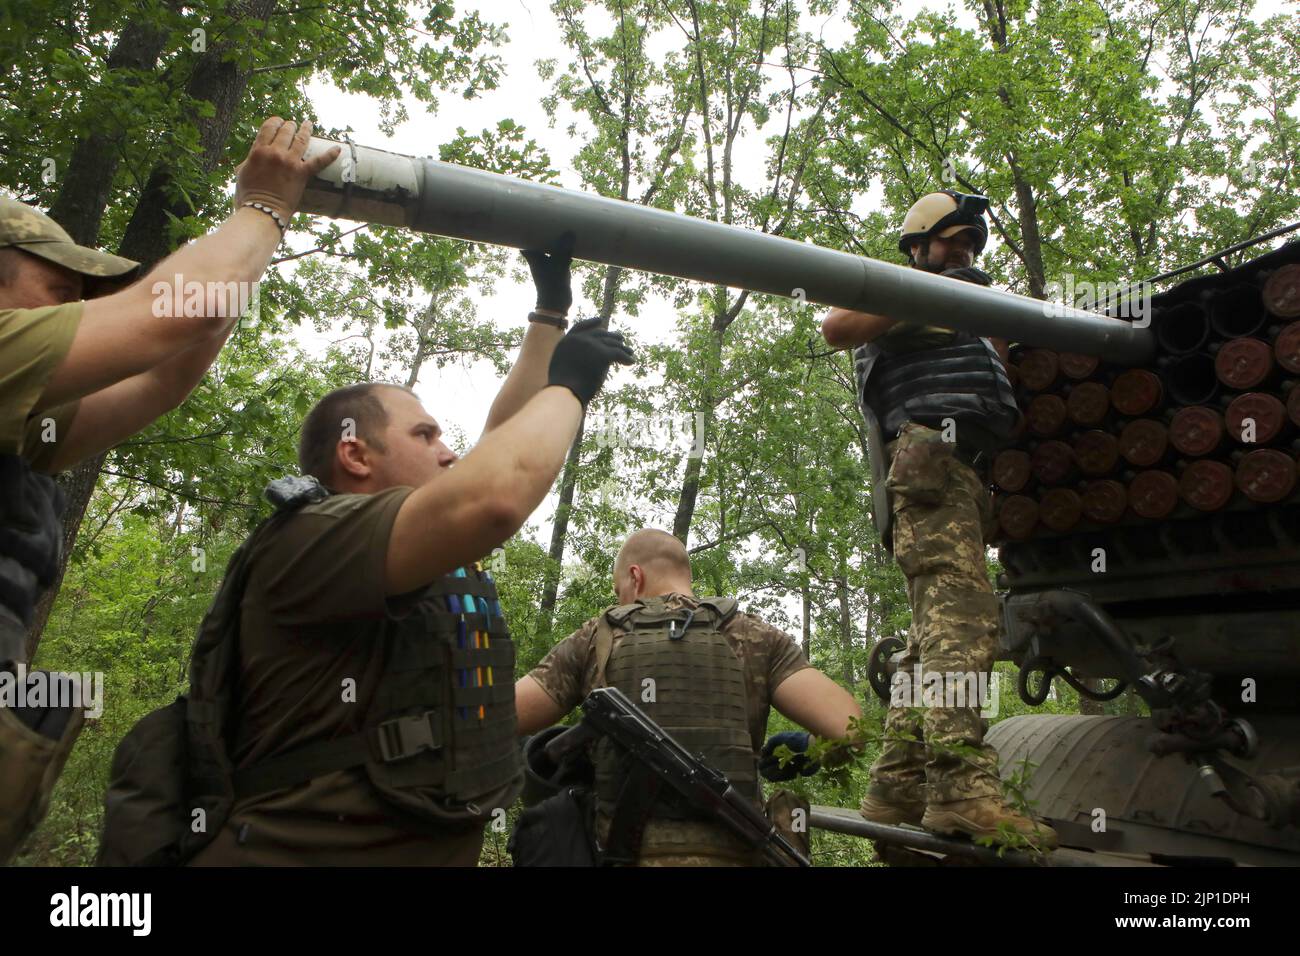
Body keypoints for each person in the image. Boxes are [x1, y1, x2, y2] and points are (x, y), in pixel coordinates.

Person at [182, 246, 634, 866]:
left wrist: (549, 309)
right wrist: (570, 388)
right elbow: (496, 492)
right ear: (356, 455)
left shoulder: (412, 542)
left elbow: (499, 446)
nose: (449, 453)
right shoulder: (314, 536)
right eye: (425, 436)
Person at [0, 116, 341, 864]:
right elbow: (176, 314)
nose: (75, 313)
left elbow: (164, 374)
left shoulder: (23, 426)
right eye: (60, 289)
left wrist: (256, 247)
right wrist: (264, 205)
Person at [821, 190, 1057, 849]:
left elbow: (998, 385)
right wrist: (928, 288)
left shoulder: (975, 313)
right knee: (968, 628)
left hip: (965, 477)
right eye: (952, 240)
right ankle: (961, 792)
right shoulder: (905, 291)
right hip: (930, 465)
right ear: (918, 244)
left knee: (932, 638)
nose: (965, 252)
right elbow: (836, 326)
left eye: (973, 244)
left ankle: (897, 782)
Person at [514, 527, 861, 865]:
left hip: (619, 856)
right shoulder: (755, 636)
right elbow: (852, 729)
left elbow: (501, 717)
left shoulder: (596, 637)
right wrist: (804, 749)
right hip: (739, 854)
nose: (618, 601)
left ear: (635, 577)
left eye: (618, 589)